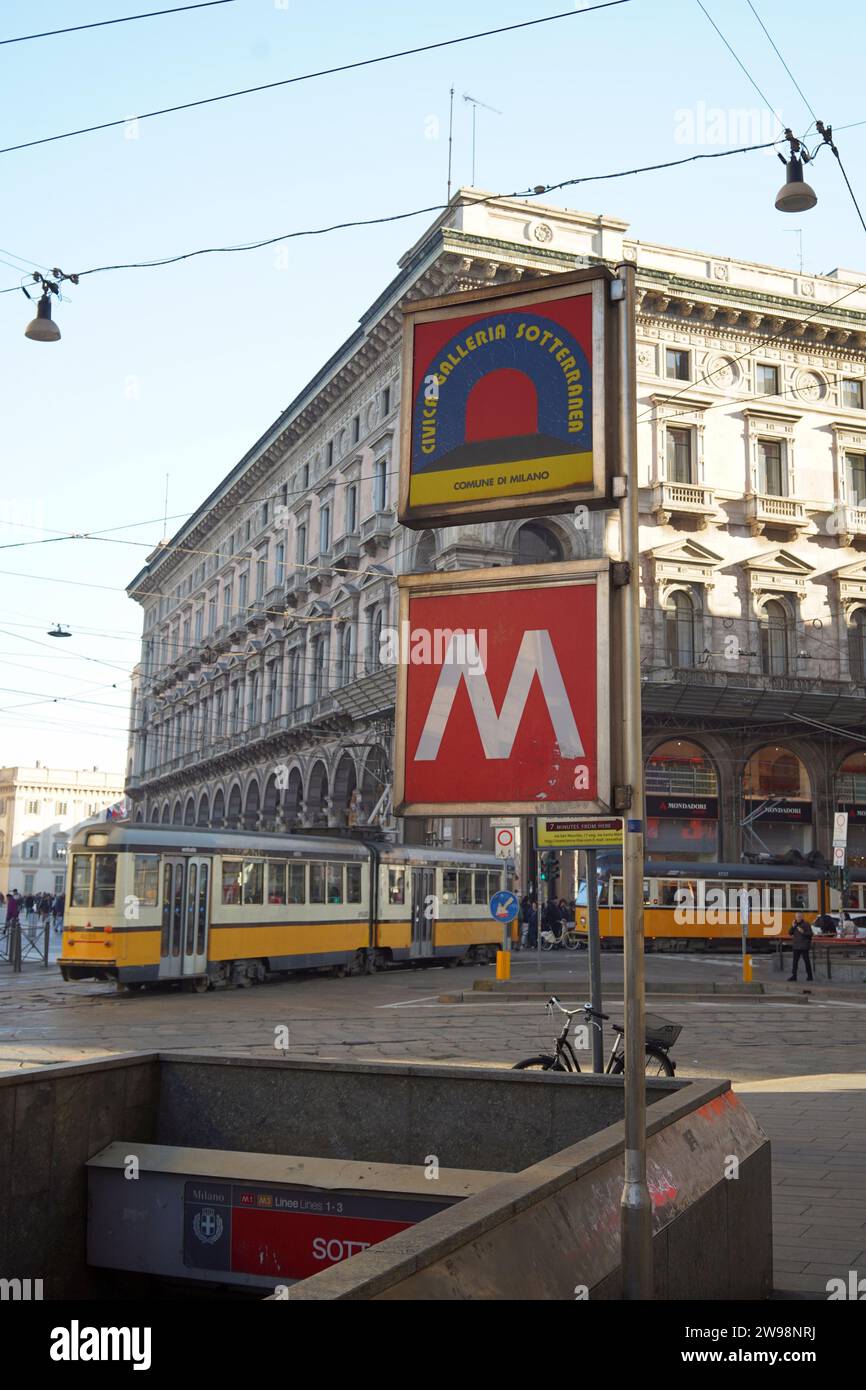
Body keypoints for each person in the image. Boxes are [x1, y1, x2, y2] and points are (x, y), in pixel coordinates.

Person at [788, 911, 814, 982]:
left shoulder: (806, 924)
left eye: (799, 917)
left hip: (804, 946)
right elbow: (790, 933)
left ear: (802, 917)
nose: (797, 918)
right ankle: (794, 976)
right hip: (796, 946)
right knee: (795, 962)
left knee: (806, 961)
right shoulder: (794, 924)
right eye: (796, 917)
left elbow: (810, 934)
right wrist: (792, 927)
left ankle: (809, 976)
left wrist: (803, 932)